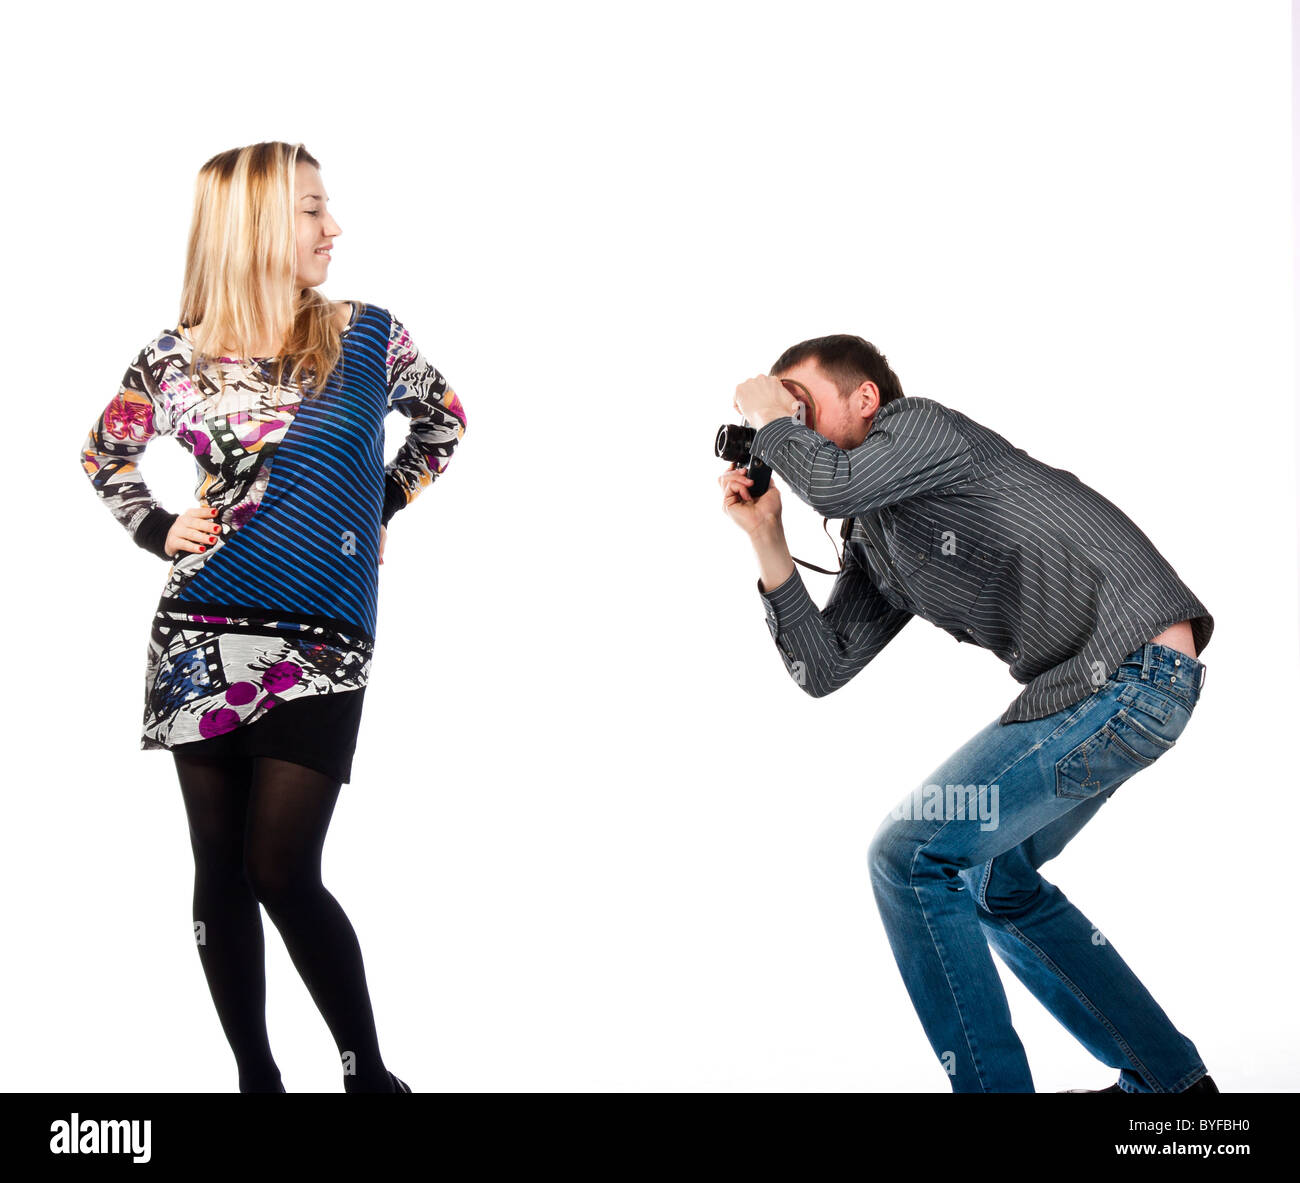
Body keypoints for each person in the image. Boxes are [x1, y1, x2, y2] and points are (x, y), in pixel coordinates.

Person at [720, 334, 1217, 1094]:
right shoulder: (878, 536)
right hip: (1098, 692)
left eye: (800, 401)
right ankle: (1174, 1091)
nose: (785, 418)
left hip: (1129, 671)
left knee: (907, 855)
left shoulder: (920, 428)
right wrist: (767, 540)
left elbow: (834, 484)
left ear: (866, 400)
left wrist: (770, 417)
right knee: (995, 883)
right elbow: (820, 668)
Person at [79, 141, 467, 1093]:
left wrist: (376, 502)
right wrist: (160, 527)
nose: (334, 227)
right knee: (219, 865)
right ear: (253, 222)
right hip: (200, 629)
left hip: (326, 632)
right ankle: (257, 1078)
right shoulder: (173, 358)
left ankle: (366, 1072)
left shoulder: (369, 334)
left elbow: (445, 421)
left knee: (283, 866)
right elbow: (103, 454)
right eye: (311, 209)